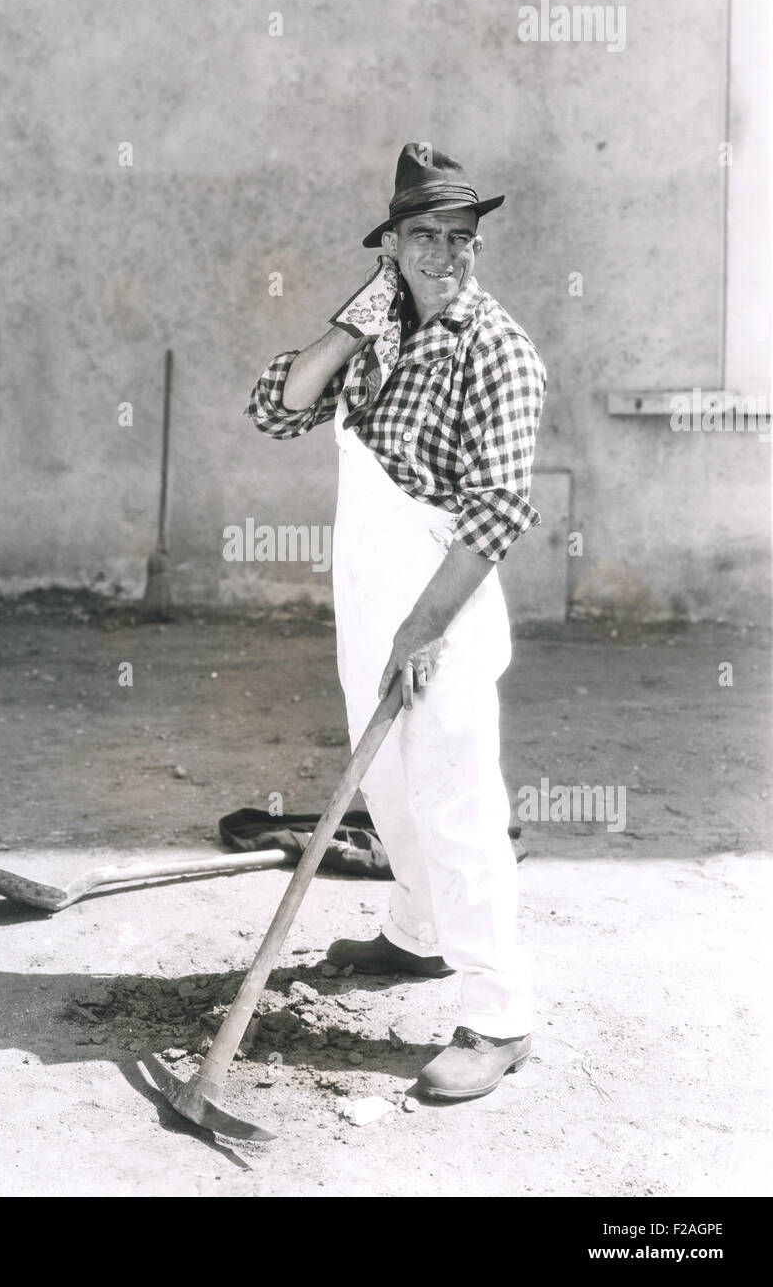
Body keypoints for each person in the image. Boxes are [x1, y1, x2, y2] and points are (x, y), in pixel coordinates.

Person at [245, 143, 547, 1099]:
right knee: (388, 788)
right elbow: (279, 407)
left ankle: (501, 1016)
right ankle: (418, 939)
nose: (446, 254)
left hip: (440, 611)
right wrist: (353, 317)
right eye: (425, 236)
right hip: (369, 600)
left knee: (457, 803)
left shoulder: (496, 350)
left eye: (462, 238)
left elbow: (495, 513)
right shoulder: (375, 337)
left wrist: (422, 630)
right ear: (391, 246)